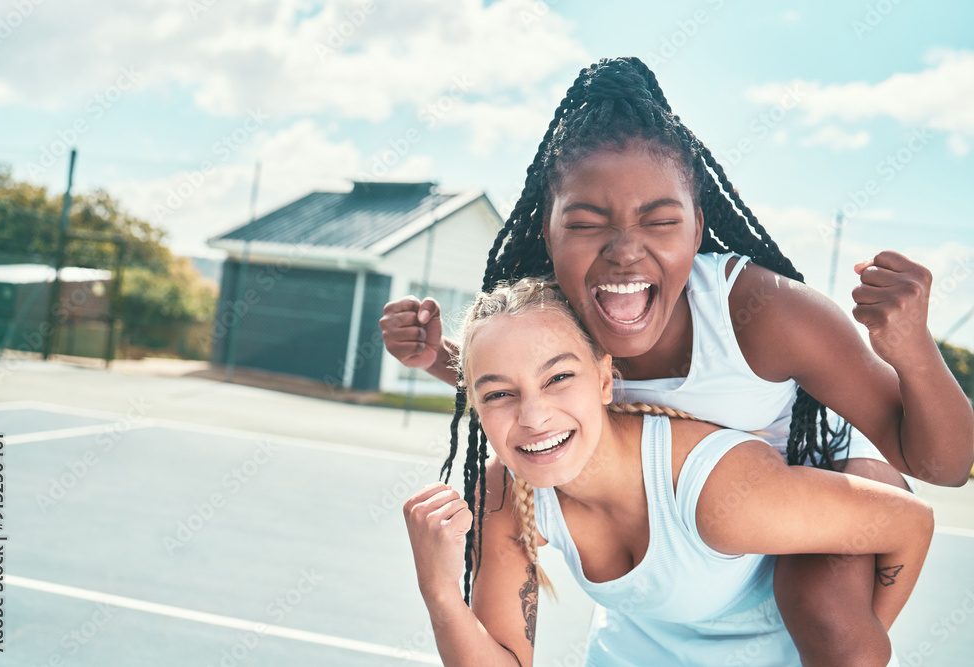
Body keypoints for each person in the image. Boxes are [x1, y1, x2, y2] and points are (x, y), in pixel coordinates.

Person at [382, 57, 974, 664]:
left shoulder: (763, 313)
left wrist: (914, 352)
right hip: (681, 524)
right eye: (586, 223)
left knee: (822, 608)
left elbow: (947, 466)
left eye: (661, 220)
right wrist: (443, 359)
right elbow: (533, 383)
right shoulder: (560, 312)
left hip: (813, 463)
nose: (624, 252)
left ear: (699, 227)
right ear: (548, 230)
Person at [403, 278, 933, 666]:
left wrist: (862, 637)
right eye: (498, 393)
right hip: (635, 648)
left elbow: (911, 523)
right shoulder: (501, 492)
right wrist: (440, 590)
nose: (533, 416)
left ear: (606, 380)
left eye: (559, 377)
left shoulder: (717, 489)